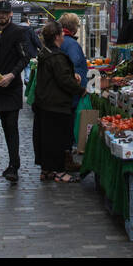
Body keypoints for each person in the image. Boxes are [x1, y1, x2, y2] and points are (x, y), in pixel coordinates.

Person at [34, 21, 85, 182]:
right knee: (58, 139)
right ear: (57, 37)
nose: (63, 37)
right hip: (56, 104)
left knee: (46, 139)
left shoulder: (45, 52)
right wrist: (80, 89)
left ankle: (47, 170)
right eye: (62, 34)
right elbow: (63, 80)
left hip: (44, 102)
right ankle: (59, 172)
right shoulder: (57, 56)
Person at [0, 0, 31, 183]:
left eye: (5, 13)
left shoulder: (18, 32)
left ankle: (14, 166)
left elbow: (25, 57)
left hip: (11, 87)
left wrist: (12, 75)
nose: (2, 16)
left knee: (11, 127)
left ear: (11, 14)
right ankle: (13, 163)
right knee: (6, 126)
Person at [58, 13, 89, 168]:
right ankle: (66, 158)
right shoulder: (71, 44)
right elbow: (74, 67)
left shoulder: (62, 41)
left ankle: (63, 156)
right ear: (73, 27)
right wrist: (79, 88)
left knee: (63, 127)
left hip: (63, 93)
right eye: (77, 26)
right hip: (70, 94)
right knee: (68, 126)